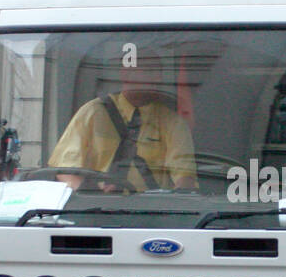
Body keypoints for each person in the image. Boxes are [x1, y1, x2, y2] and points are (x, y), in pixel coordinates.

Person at [47, 51, 196, 192]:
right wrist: (89, 194)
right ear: (125, 73)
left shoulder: (172, 122)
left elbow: (185, 177)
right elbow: (66, 171)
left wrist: (179, 196)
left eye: (159, 73)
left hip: (150, 212)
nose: (157, 79)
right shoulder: (93, 112)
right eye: (148, 71)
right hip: (96, 211)